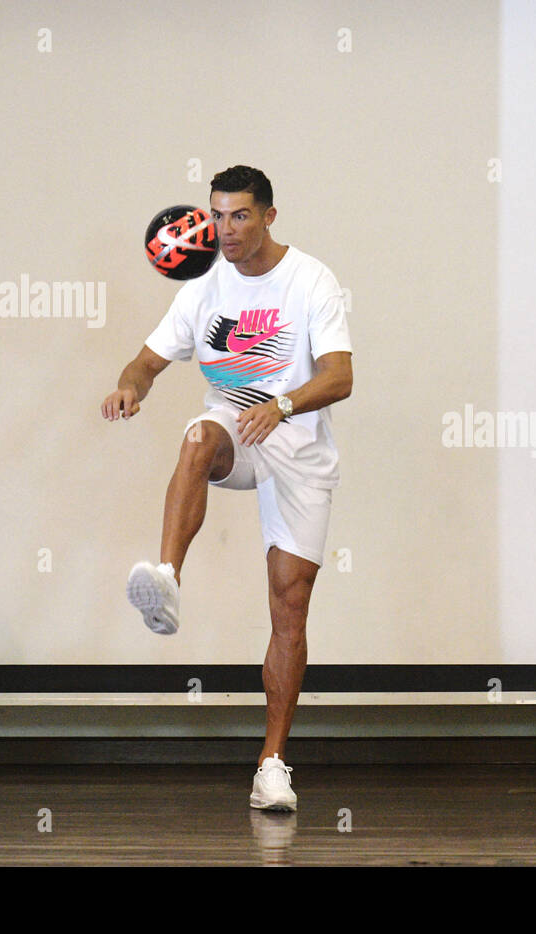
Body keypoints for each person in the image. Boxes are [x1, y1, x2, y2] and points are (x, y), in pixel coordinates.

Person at [100, 165, 353, 811]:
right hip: (235, 426)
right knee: (197, 435)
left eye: (239, 215)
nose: (225, 229)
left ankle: (272, 764)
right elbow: (147, 360)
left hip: (296, 442)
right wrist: (132, 384)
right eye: (217, 215)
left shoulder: (311, 279)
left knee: (289, 602)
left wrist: (285, 404)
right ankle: (167, 579)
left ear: (269, 215)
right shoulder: (202, 281)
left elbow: (340, 377)